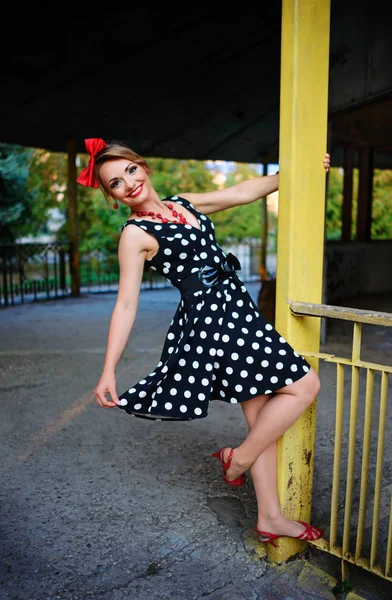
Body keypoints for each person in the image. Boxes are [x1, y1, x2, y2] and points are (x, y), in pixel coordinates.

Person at [77, 138, 331, 546]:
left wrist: (297, 171)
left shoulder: (184, 203)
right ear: (112, 197)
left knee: (261, 415)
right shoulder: (135, 234)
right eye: (116, 184)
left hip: (239, 312)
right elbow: (125, 305)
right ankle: (240, 460)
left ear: (144, 168)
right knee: (306, 385)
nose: (129, 183)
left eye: (130, 171)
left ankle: (269, 516)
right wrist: (108, 370)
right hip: (213, 323)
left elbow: (241, 192)